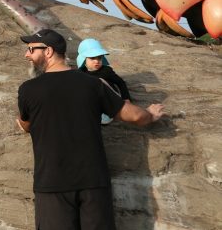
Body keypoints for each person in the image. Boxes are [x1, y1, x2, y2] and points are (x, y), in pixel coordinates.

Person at [16, 28, 165, 229]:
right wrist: (151, 115)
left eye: (31, 49)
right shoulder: (93, 84)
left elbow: (26, 124)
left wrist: (26, 122)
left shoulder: (28, 90)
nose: (27, 54)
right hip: (93, 183)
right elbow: (134, 115)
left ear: (48, 51)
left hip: (52, 184)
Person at [78, 38, 131, 124]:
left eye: (99, 58)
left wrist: (126, 98)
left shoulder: (106, 71)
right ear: (83, 60)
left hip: (108, 99)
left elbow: (120, 82)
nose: (97, 61)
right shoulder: (80, 73)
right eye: (92, 58)